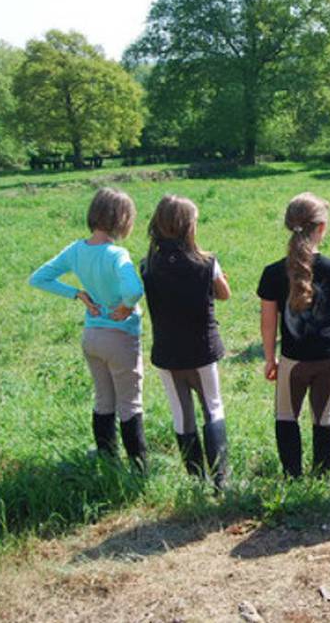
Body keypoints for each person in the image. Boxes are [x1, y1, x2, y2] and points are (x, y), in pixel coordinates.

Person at [29, 187, 147, 470]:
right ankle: (139, 470)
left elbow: (39, 278)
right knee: (130, 404)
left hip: (91, 336)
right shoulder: (117, 254)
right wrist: (127, 305)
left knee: (103, 399)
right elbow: (133, 288)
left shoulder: (76, 249)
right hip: (120, 338)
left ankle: (107, 461)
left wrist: (77, 294)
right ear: (122, 219)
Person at [141, 195, 232, 489]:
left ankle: (196, 481)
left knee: (182, 415)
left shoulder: (148, 265)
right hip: (202, 350)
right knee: (213, 408)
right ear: (188, 226)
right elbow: (224, 294)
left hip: (167, 352)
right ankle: (221, 480)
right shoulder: (207, 262)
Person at [257, 193, 330, 478]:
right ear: (321, 228)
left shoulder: (272, 273)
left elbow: (268, 321)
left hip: (293, 359)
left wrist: (270, 358)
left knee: (286, 416)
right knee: (325, 416)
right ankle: (321, 475)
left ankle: (292, 476)